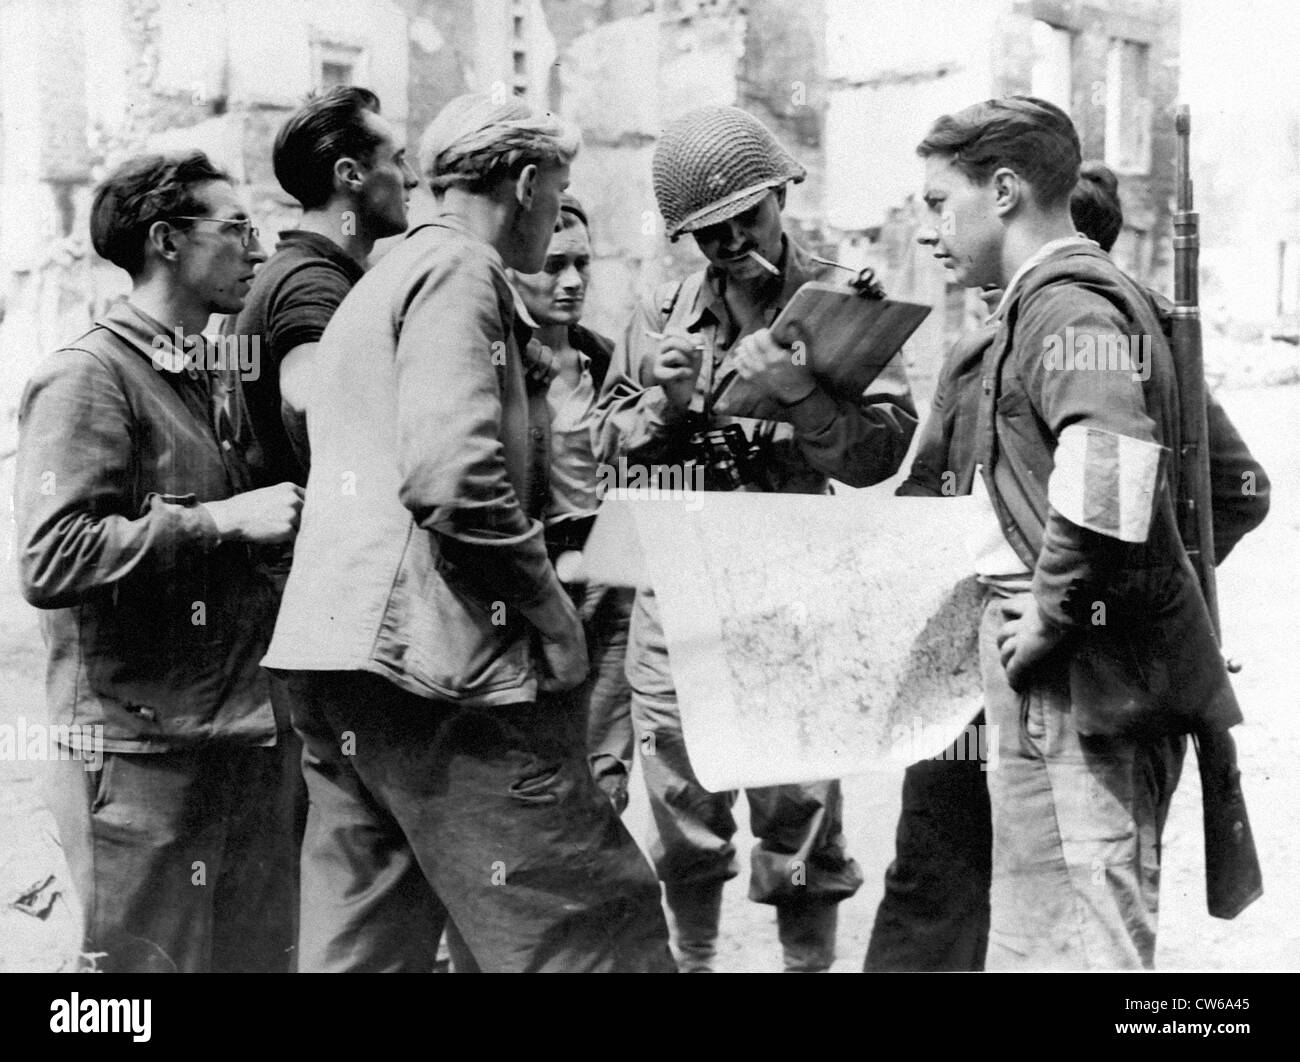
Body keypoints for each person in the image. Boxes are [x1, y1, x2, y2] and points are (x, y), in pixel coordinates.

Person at [261, 92, 675, 973]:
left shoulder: (382, 278)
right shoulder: (460, 271)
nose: (559, 213)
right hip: (437, 672)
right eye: (559, 190)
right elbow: (454, 482)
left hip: (338, 662)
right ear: (527, 184)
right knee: (595, 929)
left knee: (364, 946)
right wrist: (554, 621)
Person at [864, 157, 1272, 971]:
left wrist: (1111, 597)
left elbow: (1220, 487)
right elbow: (928, 502)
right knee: (954, 895)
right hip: (979, 673)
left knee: (1074, 927)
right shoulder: (992, 351)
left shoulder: (1095, 329)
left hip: (1063, 672)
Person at [595, 104, 918, 972]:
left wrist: (803, 392)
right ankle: (693, 965)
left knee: (800, 808)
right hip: (680, 594)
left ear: (782, 193)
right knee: (681, 806)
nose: (734, 238)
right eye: (709, 230)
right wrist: (658, 404)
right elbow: (600, 444)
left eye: (750, 214)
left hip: (791, 595)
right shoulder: (662, 307)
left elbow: (881, 451)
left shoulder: (848, 297)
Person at [14, 151, 304, 972]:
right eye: (239, 227)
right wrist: (220, 520)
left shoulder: (200, 372)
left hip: (234, 742)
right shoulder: (87, 378)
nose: (258, 248)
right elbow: (51, 557)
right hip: (142, 763)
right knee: (132, 995)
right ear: (168, 240)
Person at [507, 192, 635, 813]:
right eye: (553, 264)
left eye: (582, 264)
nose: (572, 281)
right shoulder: (495, 361)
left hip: (608, 568)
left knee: (605, 758)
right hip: (530, 573)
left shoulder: (607, 359)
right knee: (529, 757)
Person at [237, 85, 418, 488]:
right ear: (351, 174)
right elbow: (307, 402)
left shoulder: (296, 269)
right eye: (399, 161)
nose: (413, 179)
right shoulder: (311, 282)